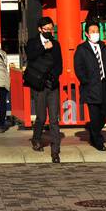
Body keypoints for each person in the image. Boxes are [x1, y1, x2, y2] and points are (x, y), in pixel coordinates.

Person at [74, 20, 106, 152]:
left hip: (105, 85)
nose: (95, 34)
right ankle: (97, 141)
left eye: (97, 31)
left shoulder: (104, 47)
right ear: (87, 34)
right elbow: (78, 67)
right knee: (95, 114)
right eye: (92, 32)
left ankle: (93, 133)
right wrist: (85, 80)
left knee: (105, 112)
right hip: (91, 86)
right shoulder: (82, 49)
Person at [24, 17, 63, 162]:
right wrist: (43, 48)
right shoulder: (33, 42)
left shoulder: (56, 44)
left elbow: (60, 64)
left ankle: (55, 151)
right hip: (38, 85)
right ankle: (36, 138)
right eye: (46, 29)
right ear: (40, 29)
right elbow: (31, 56)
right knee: (41, 116)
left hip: (52, 85)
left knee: (54, 119)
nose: (49, 32)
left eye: (51, 29)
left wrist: (54, 76)